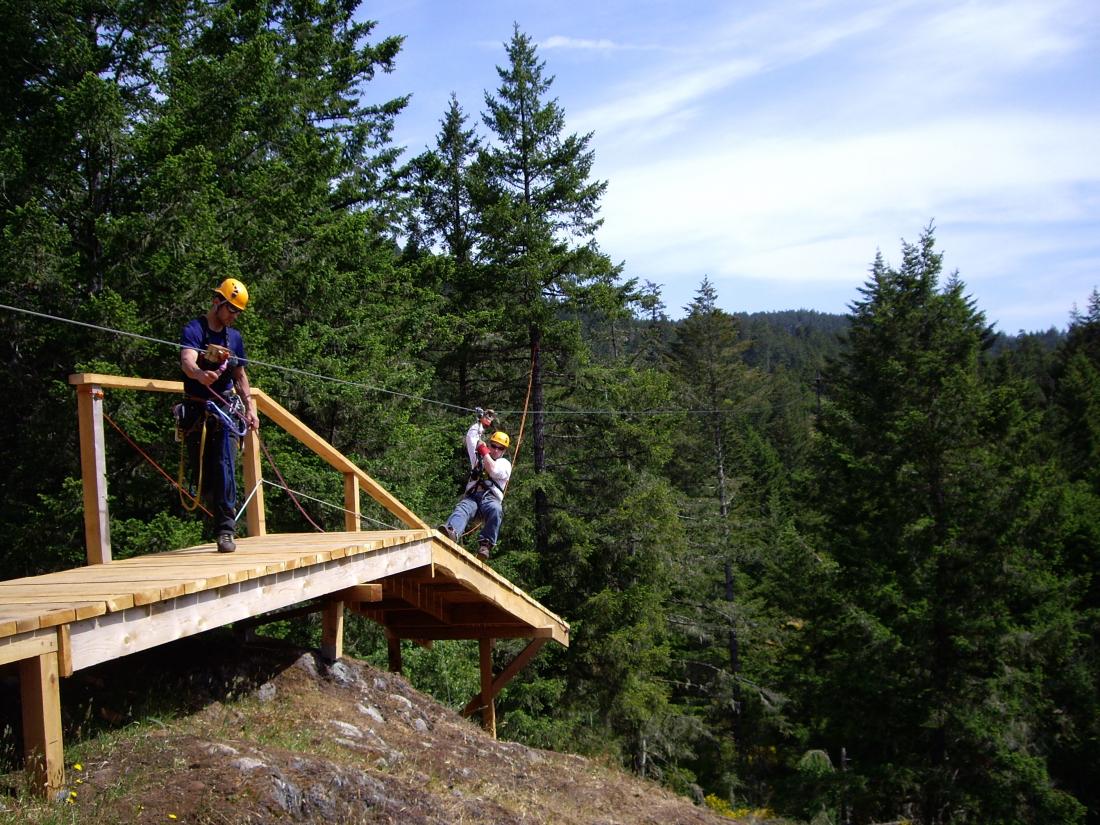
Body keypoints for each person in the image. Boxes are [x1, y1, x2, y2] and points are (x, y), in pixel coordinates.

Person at [178, 278, 260, 553]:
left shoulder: (234, 338)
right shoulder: (195, 329)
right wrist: (200, 374)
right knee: (203, 473)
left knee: (225, 466)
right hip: (197, 408)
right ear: (217, 302)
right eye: (232, 310)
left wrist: (249, 408)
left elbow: (240, 375)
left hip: (224, 410)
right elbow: (187, 360)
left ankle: (226, 531)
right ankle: (212, 520)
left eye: (238, 312)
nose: (234, 316)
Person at [439, 408, 512, 560]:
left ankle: (486, 544)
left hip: (490, 500)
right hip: (473, 496)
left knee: (496, 510)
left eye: (500, 448)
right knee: (462, 508)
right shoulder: (479, 458)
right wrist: (482, 424)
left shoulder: (504, 464)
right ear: (490, 444)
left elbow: (493, 470)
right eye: (493, 446)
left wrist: (484, 451)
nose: (496, 450)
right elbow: (471, 437)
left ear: (504, 451)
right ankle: (451, 532)